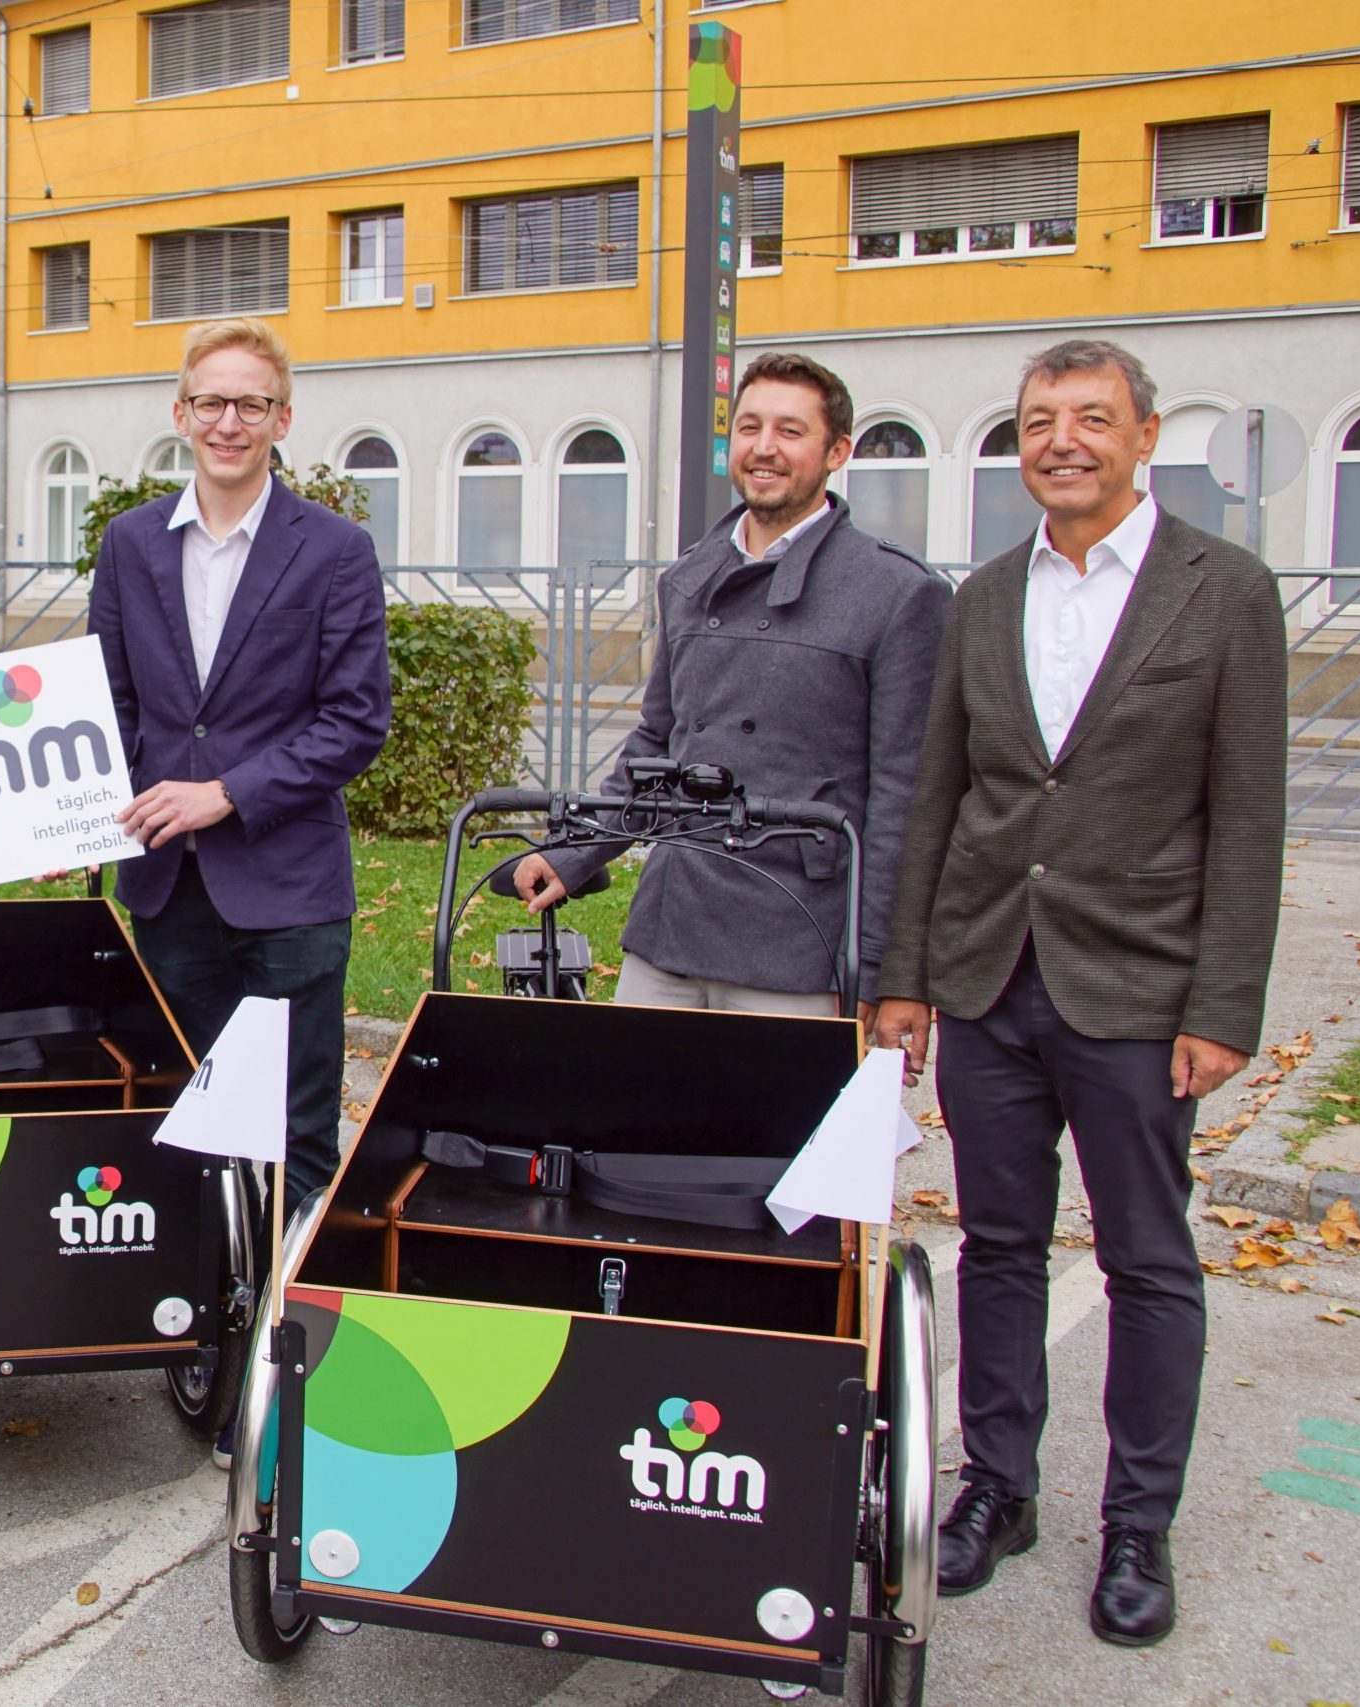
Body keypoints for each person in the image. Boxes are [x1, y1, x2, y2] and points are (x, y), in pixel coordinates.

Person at [874, 339, 1287, 1647]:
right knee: (995, 1245)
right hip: (990, 974)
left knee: (1147, 1260)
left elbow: (1250, 817)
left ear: (1144, 434)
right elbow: (943, 794)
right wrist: (907, 980)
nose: (1063, 439)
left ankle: (1138, 1523)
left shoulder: (1225, 593)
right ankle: (1000, 1485)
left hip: (1140, 988)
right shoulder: (985, 595)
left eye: (1091, 418)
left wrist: (1223, 1002)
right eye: (1040, 419)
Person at [511, 353, 950, 1023]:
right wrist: (575, 853)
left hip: (799, 940)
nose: (764, 447)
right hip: (672, 926)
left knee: (781, 1128)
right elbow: (656, 745)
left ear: (837, 451)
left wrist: (885, 971)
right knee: (632, 1119)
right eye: (749, 427)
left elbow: (903, 804)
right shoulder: (690, 578)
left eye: (790, 430)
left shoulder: (896, 594)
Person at [87, 317, 392, 1207]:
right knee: (188, 1117)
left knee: (295, 1134)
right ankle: (200, 1329)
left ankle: (284, 1329)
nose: (230, 421)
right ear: (180, 413)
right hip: (165, 888)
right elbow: (110, 703)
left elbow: (356, 721)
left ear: (282, 420)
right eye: (211, 401)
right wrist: (70, 802)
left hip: (288, 890)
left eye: (251, 404)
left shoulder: (336, 550)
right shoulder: (130, 543)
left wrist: (226, 792)